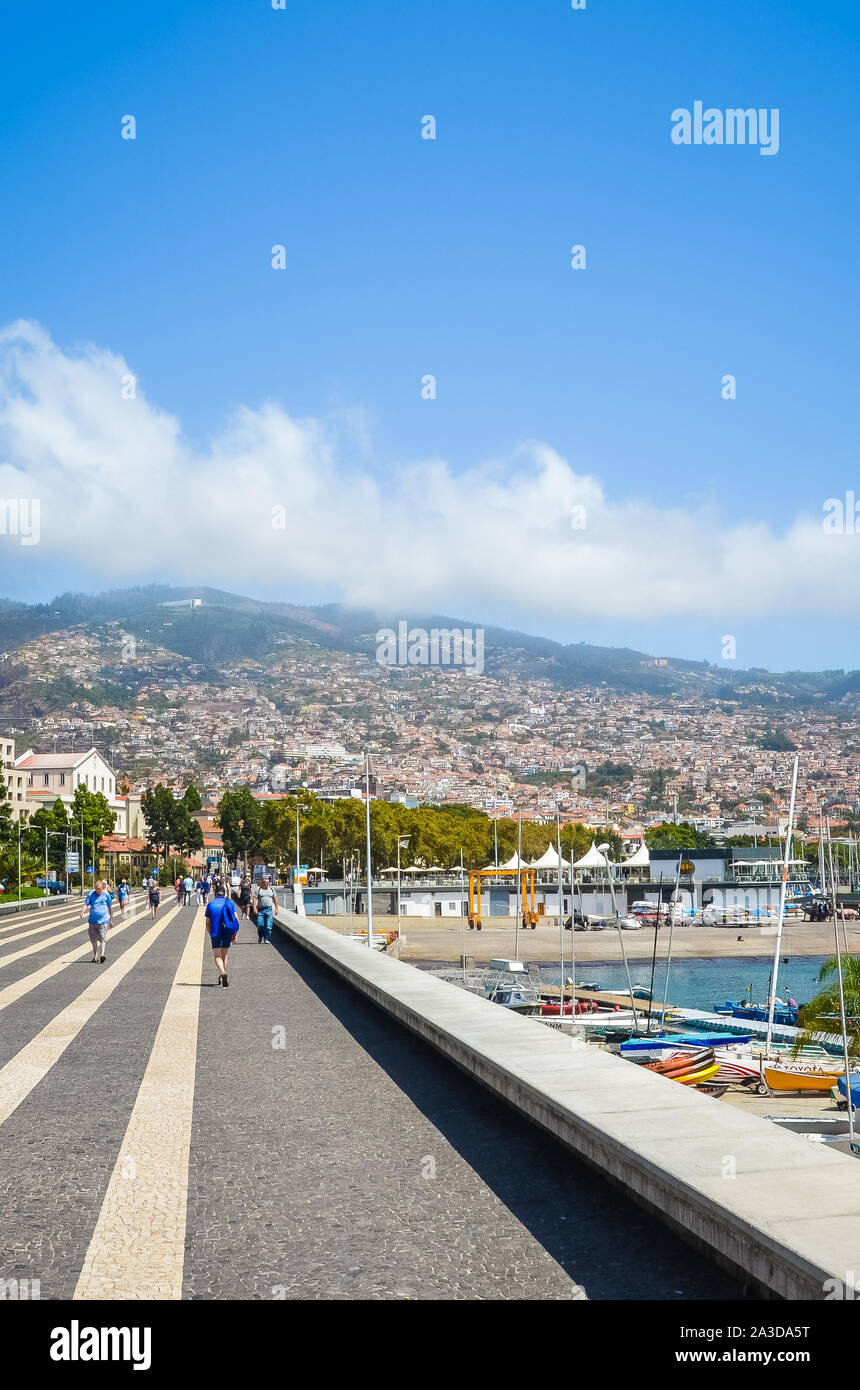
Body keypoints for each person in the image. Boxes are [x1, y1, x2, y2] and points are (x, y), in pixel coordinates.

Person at [204, 886, 240, 987]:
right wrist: (235, 934)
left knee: (217, 955)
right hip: (227, 932)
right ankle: (223, 972)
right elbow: (235, 920)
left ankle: (222, 972)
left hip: (215, 932)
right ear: (224, 893)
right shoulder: (230, 903)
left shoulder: (211, 905)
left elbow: (207, 922)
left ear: (215, 893)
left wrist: (210, 932)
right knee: (224, 953)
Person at [82, 878, 114, 964]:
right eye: (96, 889)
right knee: (93, 939)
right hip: (92, 921)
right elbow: (86, 904)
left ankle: (102, 954)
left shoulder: (106, 895)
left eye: (99, 889)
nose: (98, 891)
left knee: (102, 938)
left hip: (103, 920)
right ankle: (95, 955)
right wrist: (82, 912)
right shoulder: (91, 894)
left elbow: (110, 907)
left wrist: (111, 919)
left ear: (102, 887)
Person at [254, 876, 277, 944]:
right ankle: (260, 936)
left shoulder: (272, 889)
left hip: (269, 909)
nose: (266, 884)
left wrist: (276, 909)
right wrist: (254, 908)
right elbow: (254, 899)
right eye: (265, 882)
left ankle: (266, 938)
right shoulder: (258, 889)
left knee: (269, 926)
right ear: (262, 883)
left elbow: (275, 899)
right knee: (260, 925)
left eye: (267, 882)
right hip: (260, 910)